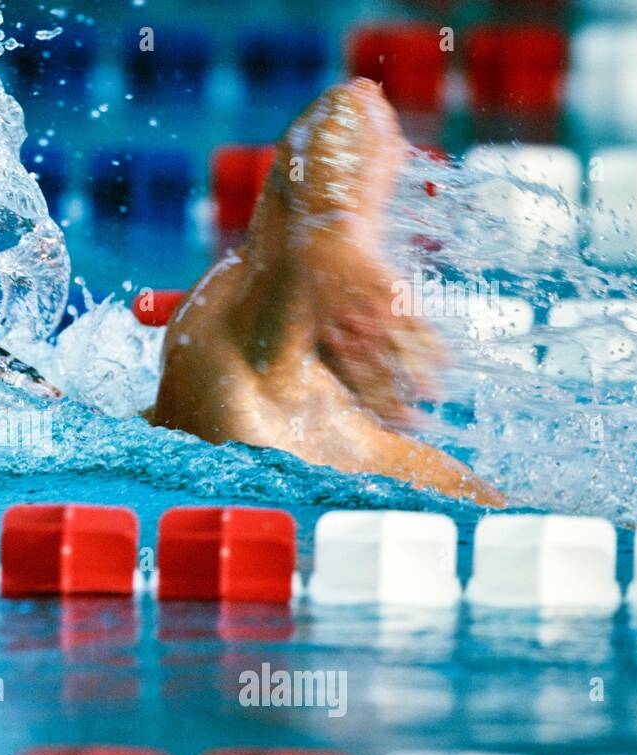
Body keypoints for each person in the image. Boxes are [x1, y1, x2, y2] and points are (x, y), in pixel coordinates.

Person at [146, 78, 505, 507]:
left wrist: (331, 236)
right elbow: (352, 104)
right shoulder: (256, 374)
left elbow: (351, 106)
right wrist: (333, 239)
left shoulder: (248, 369)